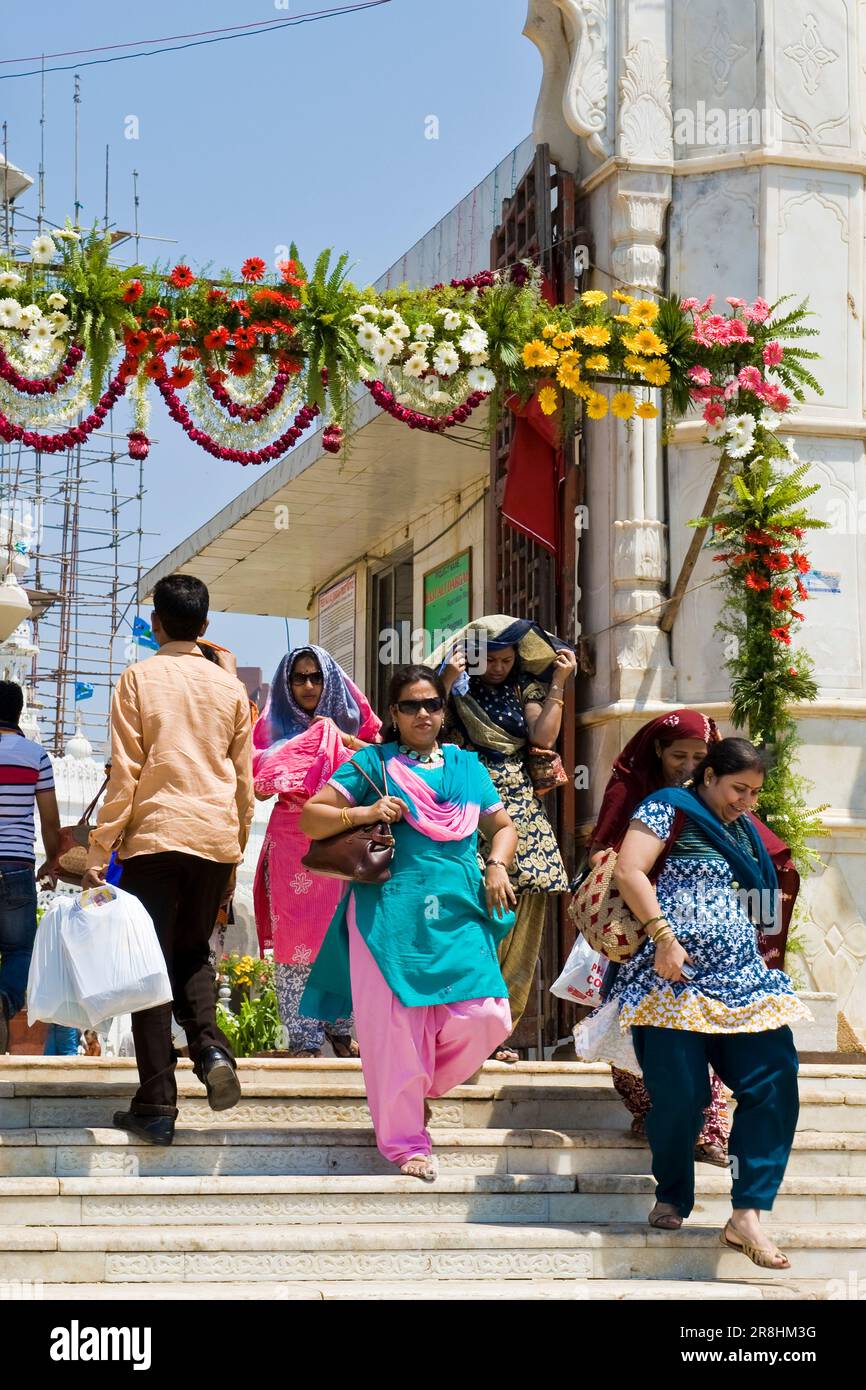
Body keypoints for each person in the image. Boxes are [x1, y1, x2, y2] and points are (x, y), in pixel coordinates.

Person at [298, 665, 518, 1181]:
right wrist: (365, 811)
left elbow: (502, 826)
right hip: (387, 912)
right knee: (395, 1031)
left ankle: (413, 1088)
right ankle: (405, 1143)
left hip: (459, 908)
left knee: (486, 1015)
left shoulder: (468, 768)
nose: (424, 713)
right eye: (411, 706)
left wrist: (497, 865)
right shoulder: (372, 762)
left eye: (433, 704)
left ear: (445, 710)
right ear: (393, 715)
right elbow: (311, 816)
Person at [607, 737, 810, 1268]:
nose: (746, 799)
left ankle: (747, 1212)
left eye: (755, 791)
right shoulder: (666, 807)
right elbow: (629, 871)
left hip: (741, 979)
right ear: (710, 776)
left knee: (773, 1084)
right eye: (739, 788)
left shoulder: (742, 828)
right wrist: (664, 936)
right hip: (671, 977)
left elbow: (772, 884)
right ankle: (673, 1192)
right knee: (680, 1096)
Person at [82, 575, 254, 1147]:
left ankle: (156, 1103)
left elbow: (126, 772)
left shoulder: (138, 678)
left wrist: (100, 849)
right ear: (205, 627)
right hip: (212, 839)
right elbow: (244, 786)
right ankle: (209, 1050)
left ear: (156, 624)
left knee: (146, 967)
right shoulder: (231, 690)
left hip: (154, 840)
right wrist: (234, 853)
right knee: (191, 955)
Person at [588, 710, 729, 1164]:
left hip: (705, 936)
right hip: (641, 933)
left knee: (708, 1026)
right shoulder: (637, 793)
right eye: (679, 755)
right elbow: (605, 858)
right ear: (658, 751)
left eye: (699, 756)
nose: (688, 765)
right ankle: (653, 1112)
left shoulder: (721, 797)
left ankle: (707, 1128)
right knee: (635, 1025)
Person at [437, 616, 574, 1061]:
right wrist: (447, 680)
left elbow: (543, 735)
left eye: (506, 658)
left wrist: (558, 682)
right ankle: (462, 1027)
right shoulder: (453, 692)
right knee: (475, 920)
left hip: (521, 809)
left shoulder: (524, 689)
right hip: (468, 805)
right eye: (489, 659)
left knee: (523, 921)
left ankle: (497, 1031)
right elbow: (418, 730)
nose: (497, 667)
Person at [252, 644, 381, 1056]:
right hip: (291, 841)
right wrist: (306, 745)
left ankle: (343, 1033)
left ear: (330, 681)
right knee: (294, 942)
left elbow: (384, 762)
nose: (308, 686)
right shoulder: (271, 731)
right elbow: (257, 780)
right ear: (285, 684)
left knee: (344, 936)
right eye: (298, 678)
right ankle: (304, 1039)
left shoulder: (356, 730)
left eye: (316, 677)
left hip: (342, 839)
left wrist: (338, 738)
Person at [0, 680, 60, 1054]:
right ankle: (4, 1001)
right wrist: (53, 862)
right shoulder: (35, 755)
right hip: (17, 868)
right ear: (19, 713)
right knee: (20, 950)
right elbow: (50, 823)